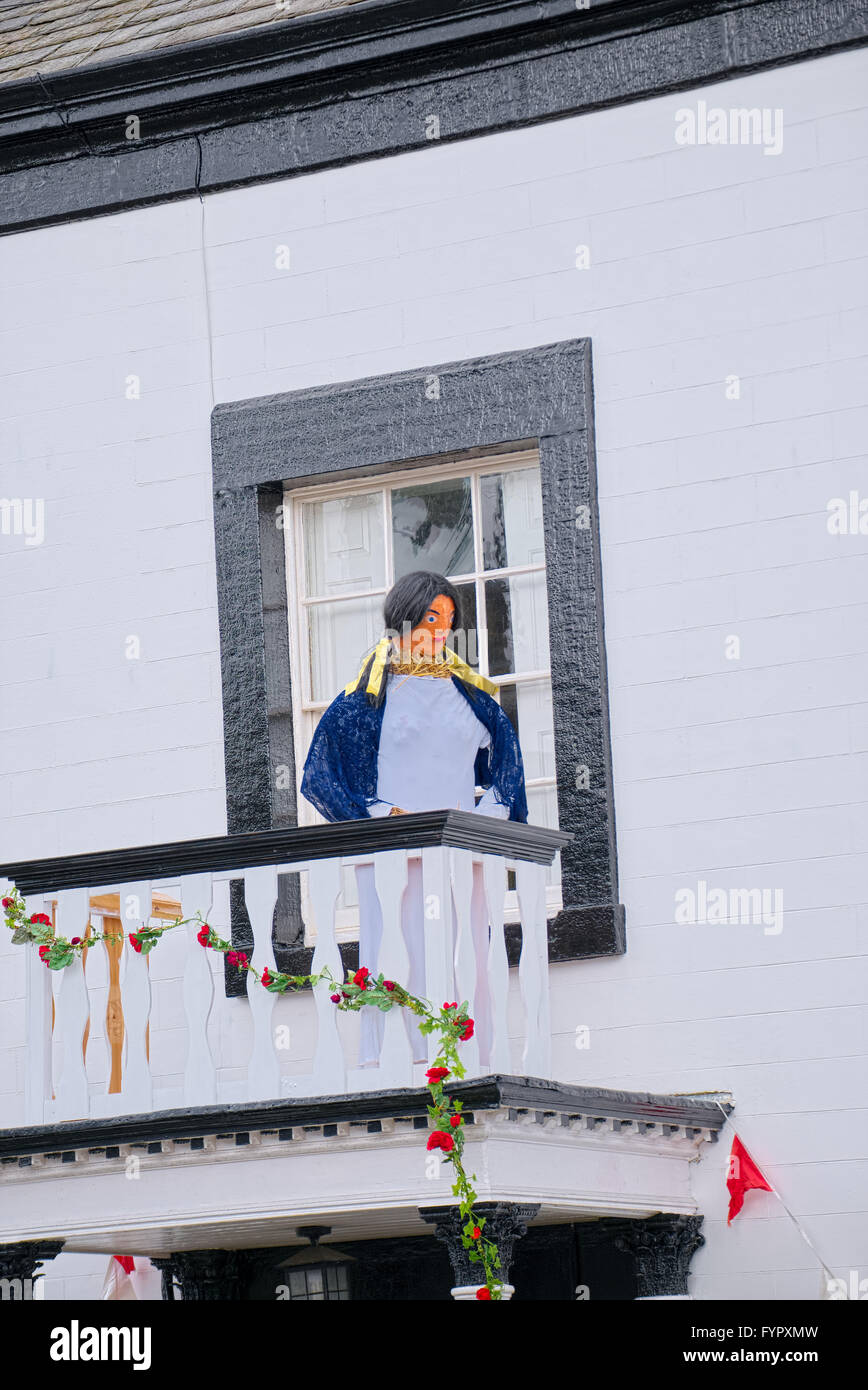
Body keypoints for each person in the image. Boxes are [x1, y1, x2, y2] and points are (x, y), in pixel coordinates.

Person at [300, 570, 528, 1066]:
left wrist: (486, 815)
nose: (441, 630)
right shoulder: (363, 700)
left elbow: (505, 769)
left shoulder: (472, 697)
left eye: (448, 619)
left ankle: (471, 1058)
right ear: (403, 620)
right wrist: (379, 814)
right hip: (393, 855)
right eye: (431, 617)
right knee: (400, 955)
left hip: (459, 855)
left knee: (466, 957)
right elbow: (319, 775)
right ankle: (397, 1062)